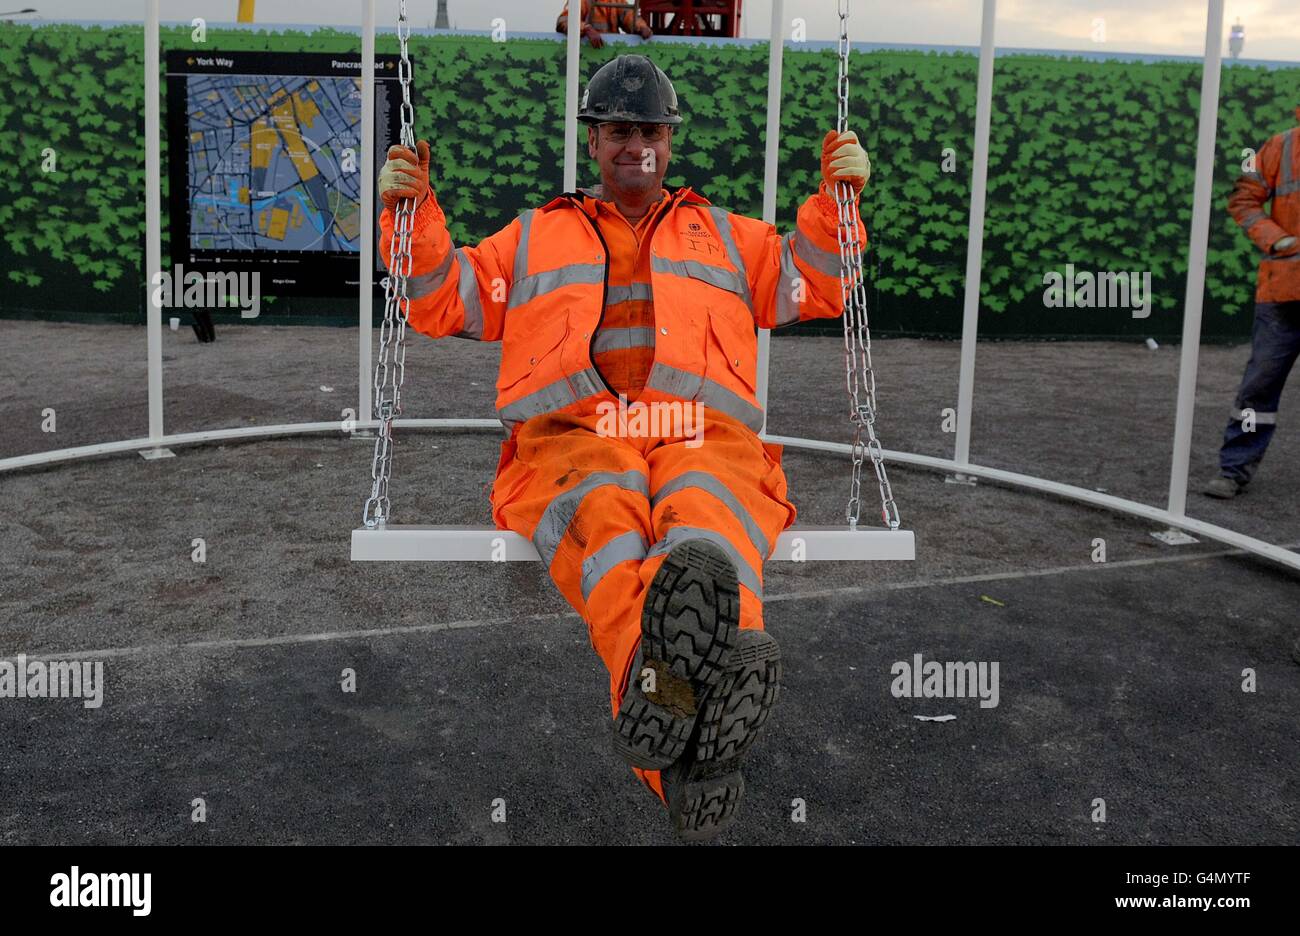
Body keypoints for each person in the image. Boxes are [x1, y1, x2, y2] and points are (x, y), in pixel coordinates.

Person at [375, 55, 871, 840]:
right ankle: (689, 750)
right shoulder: (535, 236)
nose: (633, 144)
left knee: (706, 534)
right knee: (607, 524)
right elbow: (444, 298)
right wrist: (413, 214)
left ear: (668, 143)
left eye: (648, 130)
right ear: (595, 141)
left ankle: (677, 731)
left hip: (700, 431)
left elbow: (813, 283)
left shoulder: (731, 238)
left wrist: (834, 204)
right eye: (617, 130)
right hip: (575, 436)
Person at [1205, 105, 1300, 499]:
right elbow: (1243, 200)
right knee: (1258, 387)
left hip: (1280, 291)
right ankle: (1233, 470)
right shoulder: (1281, 144)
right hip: (1282, 296)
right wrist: (1276, 239)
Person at [556, 0, 653, 48]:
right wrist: (586, 28)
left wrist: (642, 27)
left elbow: (628, 16)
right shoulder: (580, 1)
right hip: (587, 52)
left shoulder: (615, 1)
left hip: (611, 53)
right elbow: (564, 21)